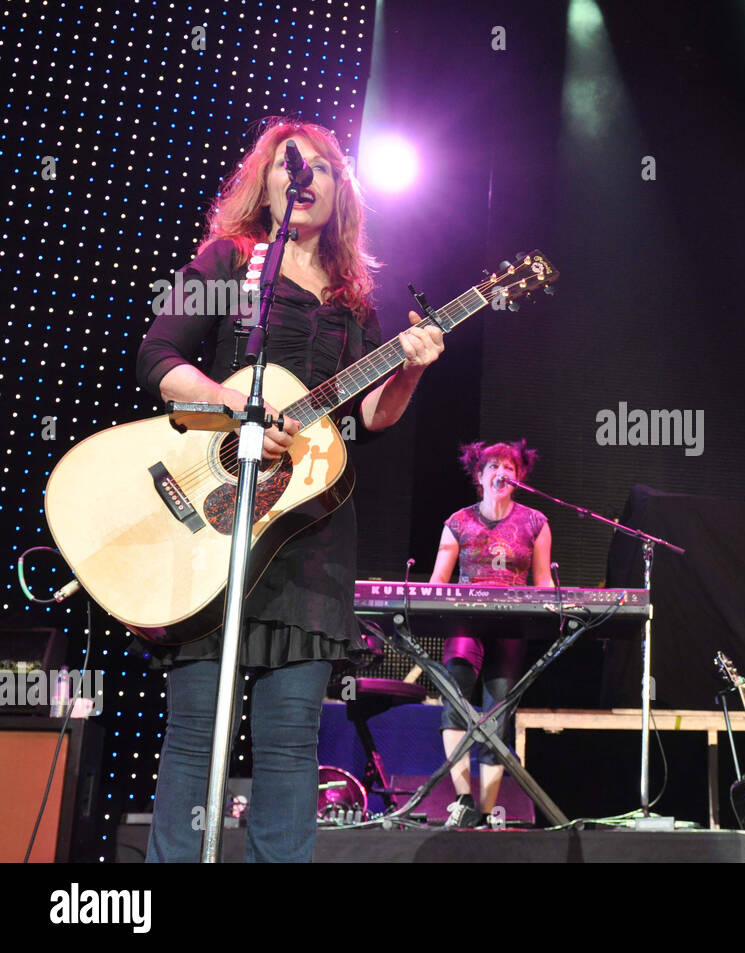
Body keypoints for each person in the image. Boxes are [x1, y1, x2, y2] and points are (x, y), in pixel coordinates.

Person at [136, 117, 445, 861]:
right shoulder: (227, 262)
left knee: (288, 745)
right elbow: (159, 358)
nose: (302, 177)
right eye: (288, 164)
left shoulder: (353, 300)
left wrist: (410, 370)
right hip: (214, 523)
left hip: (310, 541)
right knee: (194, 736)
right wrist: (235, 409)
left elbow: (367, 419)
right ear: (266, 183)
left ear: (340, 193)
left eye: (321, 169)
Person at [429, 440, 553, 827]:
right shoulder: (458, 521)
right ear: (479, 477)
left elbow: (543, 582)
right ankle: (463, 801)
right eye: (493, 467)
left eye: (509, 468)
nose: (502, 473)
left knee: (498, 716)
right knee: (455, 704)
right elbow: (437, 581)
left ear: (519, 478)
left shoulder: (536, 522)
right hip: (465, 622)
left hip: (512, 625)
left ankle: (485, 813)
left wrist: (556, 608)